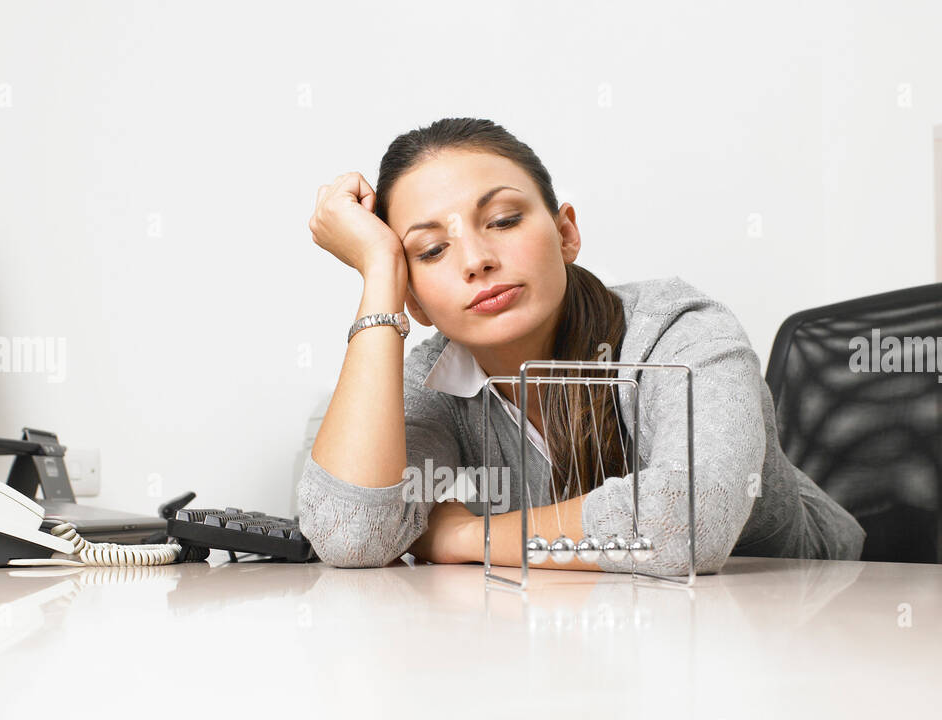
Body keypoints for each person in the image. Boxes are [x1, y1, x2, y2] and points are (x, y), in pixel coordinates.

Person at [297, 117, 864, 576]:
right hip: (614, 632)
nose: (476, 261)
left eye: (503, 219)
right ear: (415, 301)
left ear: (565, 232)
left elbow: (689, 522)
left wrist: (468, 535)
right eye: (429, 252)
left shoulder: (680, 328)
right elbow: (352, 536)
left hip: (828, 613)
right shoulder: (436, 380)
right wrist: (378, 276)